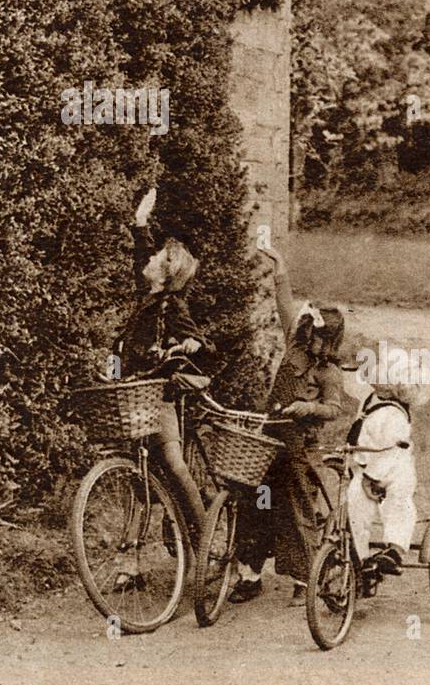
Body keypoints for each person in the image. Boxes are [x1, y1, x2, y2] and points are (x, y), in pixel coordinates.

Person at [230, 245, 346, 605]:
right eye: (308, 332)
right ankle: (250, 575)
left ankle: (305, 577)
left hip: (300, 447)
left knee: (297, 509)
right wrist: (280, 269)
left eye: (316, 336)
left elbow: (334, 409)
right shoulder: (293, 350)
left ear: (329, 342)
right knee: (254, 502)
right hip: (268, 441)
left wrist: (307, 407)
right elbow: (285, 308)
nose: (309, 338)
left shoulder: (329, 373)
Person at [110, 187, 210, 589]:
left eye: (157, 259)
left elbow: (204, 345)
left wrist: (189, 345)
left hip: (161, 400)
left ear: (167, 273)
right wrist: (139, 222)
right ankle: (130, 563)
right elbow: (142, 255)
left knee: (173, 466)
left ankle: (203, 545)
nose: (147, 261)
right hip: (134, 399)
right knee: (137, 476)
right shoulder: (146, 296)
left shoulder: (173, 306)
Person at [346, 372, 430, 594]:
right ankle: (361, 558)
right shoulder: (370, 398)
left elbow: (393, 453)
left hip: (394, 469)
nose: (377, 385)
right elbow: (352, 384)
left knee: (397, 502)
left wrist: (372, 478)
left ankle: (395, 549)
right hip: (366, 466)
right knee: (355, 504)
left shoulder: (396, 416)